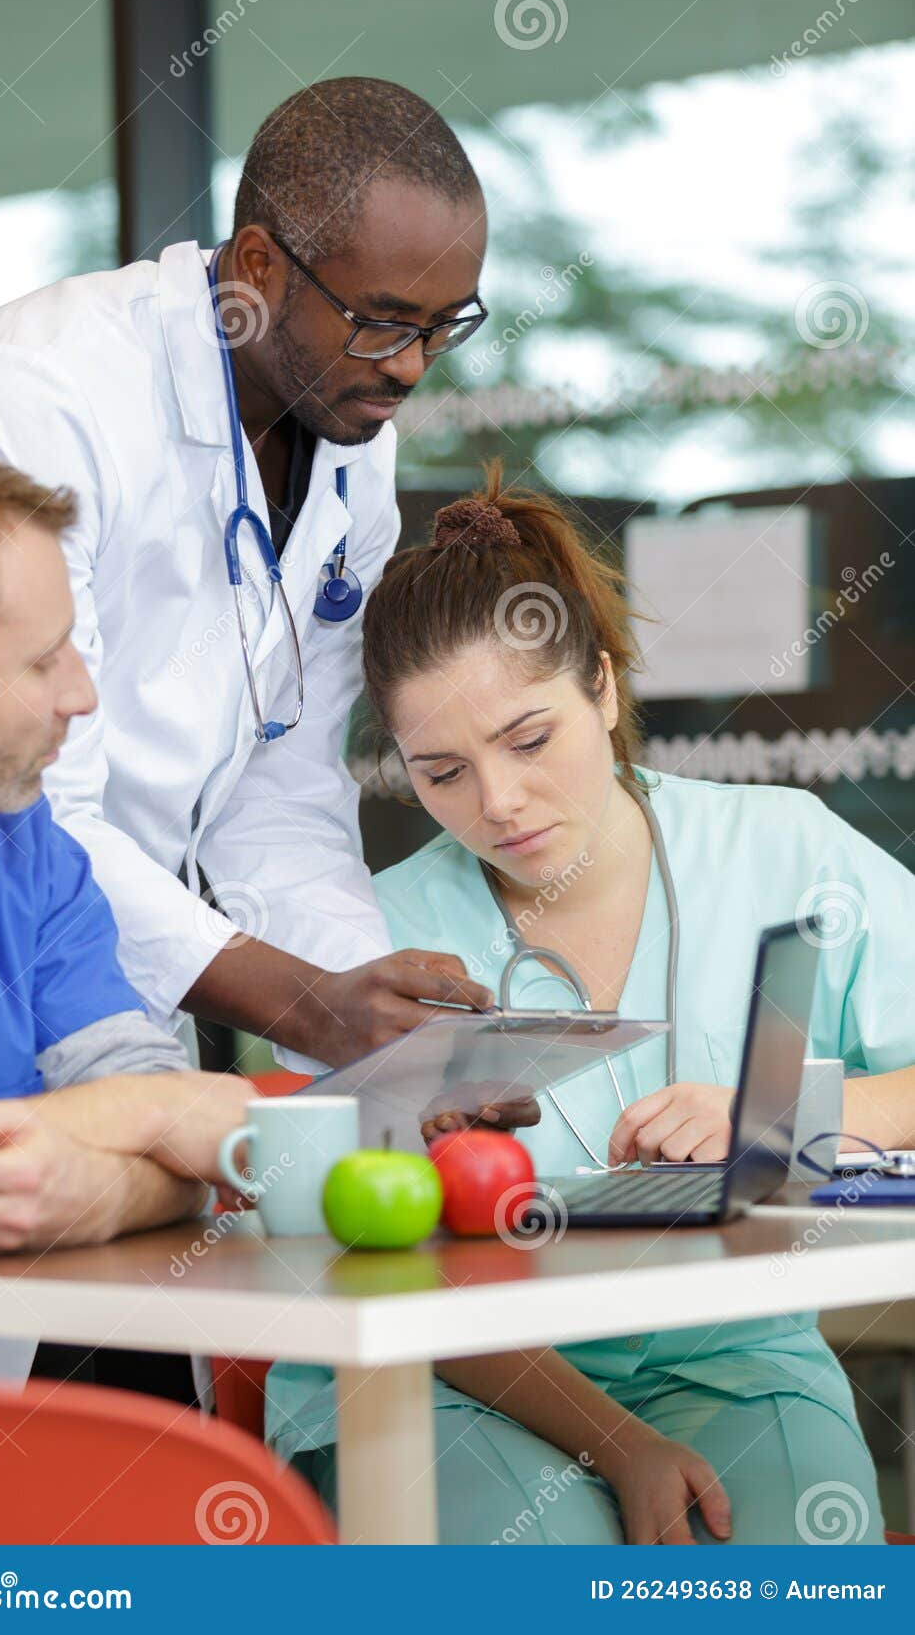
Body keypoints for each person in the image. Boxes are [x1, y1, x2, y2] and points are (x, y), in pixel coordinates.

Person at [266, 464, 915, 1544]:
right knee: (553, 1559)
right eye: (440, 772)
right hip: (448, 1370)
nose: (498, 803)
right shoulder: (370, 944)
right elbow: (357, 1263)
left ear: (603, 688)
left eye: (528, 741)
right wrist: (615, 1442)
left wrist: (791, 1119)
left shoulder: (781, 849)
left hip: (729, 1350)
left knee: (803, 1550)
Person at [0, 77, 493, 1073]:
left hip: (106, 1000)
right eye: (380, 321)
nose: (412, 367)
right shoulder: (33, 398)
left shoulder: (350, 440)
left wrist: (393, 1051)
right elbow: (29, 805)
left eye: (443, 326)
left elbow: (279, 793)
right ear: (257, 266)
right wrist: (304, 1007)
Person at [0, 437, 255, 1374]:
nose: (80, 693)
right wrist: (115, 1124)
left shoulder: (20, 852)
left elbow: (184, 1125)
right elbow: (158, 1113)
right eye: (42, 662)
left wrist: (105, 1194)